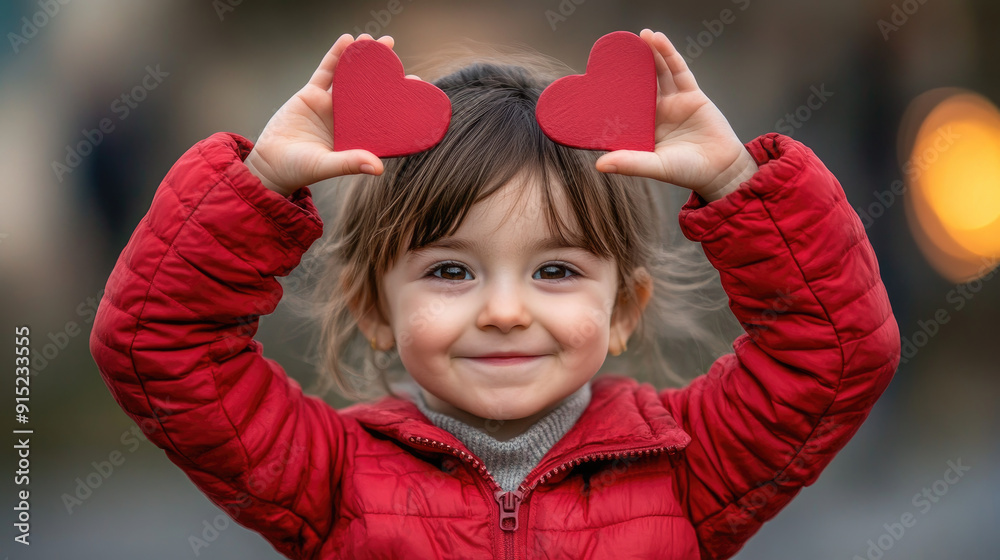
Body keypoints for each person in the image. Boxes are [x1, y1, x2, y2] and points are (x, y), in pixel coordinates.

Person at [89, 29, 901, 559]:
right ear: (375, 307)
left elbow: (836, 350)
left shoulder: (688, 471)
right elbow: (155, 348)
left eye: (555, 271)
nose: (505, 310)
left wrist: (735, 183)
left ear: (623, 310)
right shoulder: (332, 478)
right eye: (450, 270)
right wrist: (259, 183)